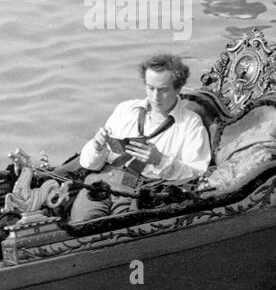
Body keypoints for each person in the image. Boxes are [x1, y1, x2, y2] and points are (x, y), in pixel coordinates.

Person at [69, 54, 212, 222]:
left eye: (163, 90)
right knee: (81, 226)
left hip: (142, 191)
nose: (155, 97)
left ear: (178, 88)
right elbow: (90, 164)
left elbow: (197, 173)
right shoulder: (126, 109)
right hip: (101, 181)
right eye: (150, 88)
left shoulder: (190, 124)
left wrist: (160, 160)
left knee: (114, 232)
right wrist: (97, 146)